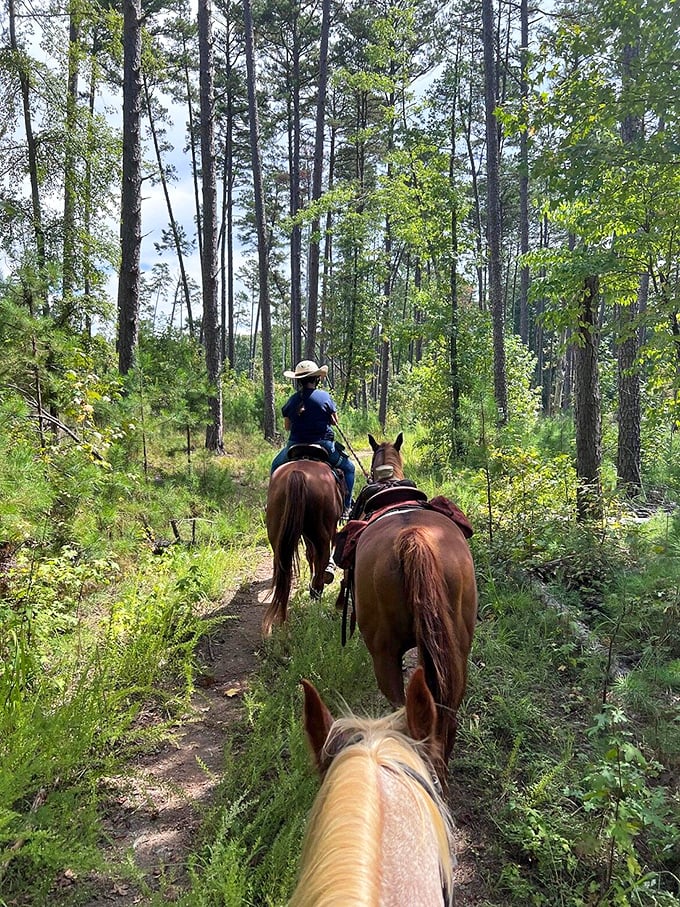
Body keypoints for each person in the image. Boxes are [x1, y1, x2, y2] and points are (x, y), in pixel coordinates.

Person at [271, 360, 355, 518]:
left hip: (295, 445)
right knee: (349, 468)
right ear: (316, 379)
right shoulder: (324, 396)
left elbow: (287, 427)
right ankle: (346, 507)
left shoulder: (292, 400)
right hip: (323, 444)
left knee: (275, 466)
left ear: (299, 381)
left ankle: (272, 504)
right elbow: (334, 421)